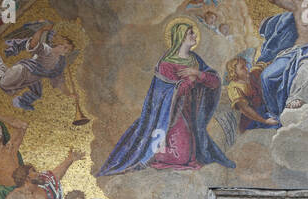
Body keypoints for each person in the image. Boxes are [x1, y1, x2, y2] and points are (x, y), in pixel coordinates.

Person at [97, 18, 234, 175]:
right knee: (182, 157)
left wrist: (198, 73)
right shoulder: (166, 64)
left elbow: (215, 82)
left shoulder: (195, 60)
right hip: (170, 116)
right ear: (181, 37)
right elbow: (170, 92)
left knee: (195, 153)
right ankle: (151, 152)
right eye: (190, 33)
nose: (194, 36)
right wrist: (191, 80)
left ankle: (154, 149)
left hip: (192, 115)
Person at [223, 56, 279, 130]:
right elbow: (245, 109)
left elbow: (265, 65)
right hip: (254, 118)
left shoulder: (252, 74)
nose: (247, 69)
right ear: (234, 71)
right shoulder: (234, 88)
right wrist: (265, 121)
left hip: (267, 108)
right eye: (242, 68)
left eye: (246, 65)